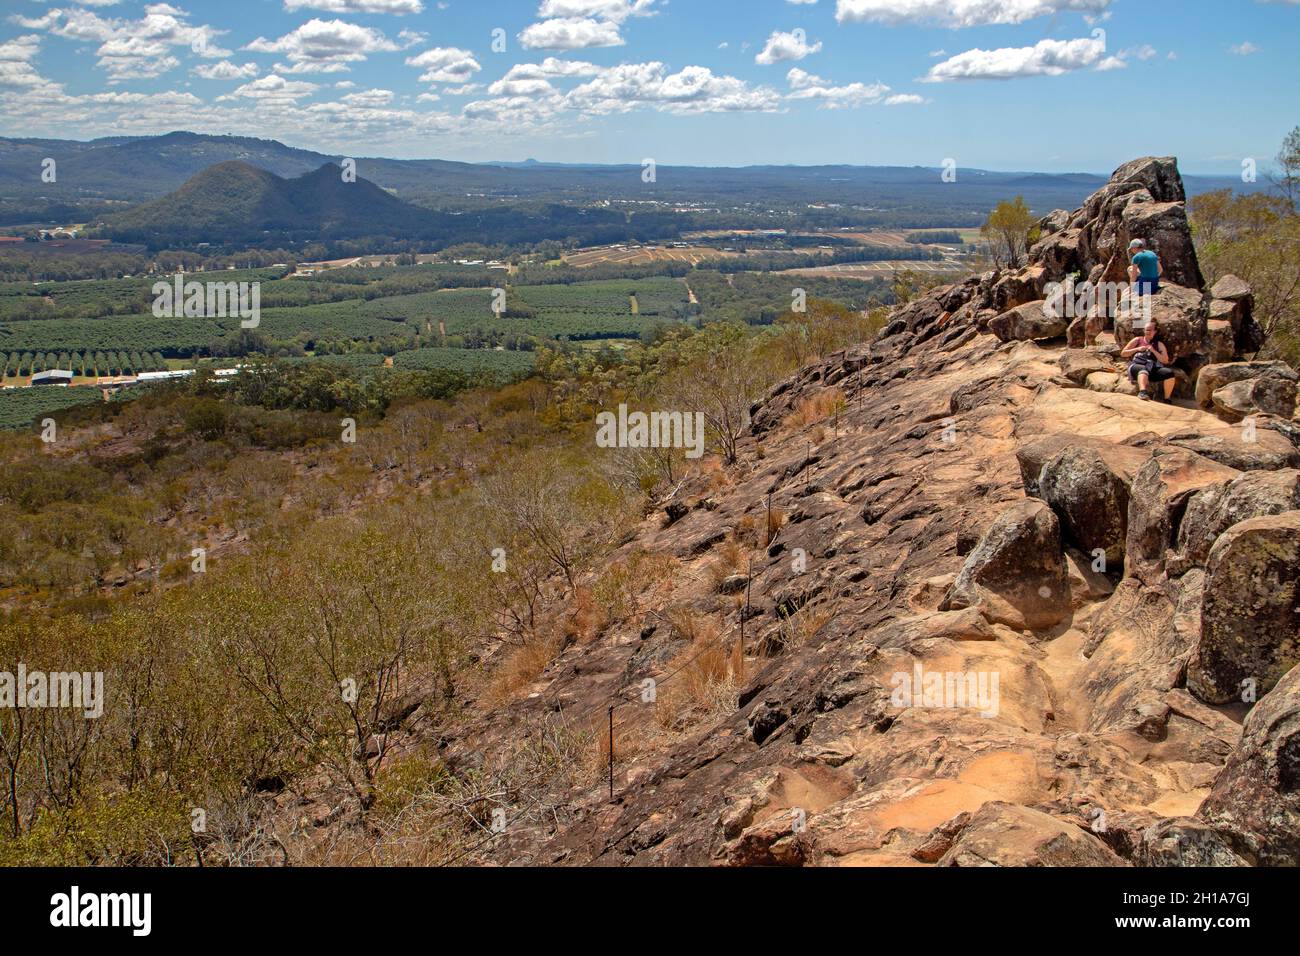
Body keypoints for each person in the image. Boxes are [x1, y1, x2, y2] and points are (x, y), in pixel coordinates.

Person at [1121, 315, 1176, 401]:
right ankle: (1142, 392)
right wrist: (1137, 349)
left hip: (1152, 368)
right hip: (1136, 366)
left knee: (1169, 373)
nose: (1148, 332)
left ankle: (1167, 398)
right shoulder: (1138, 340)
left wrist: (1154, 351)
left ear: (1155, 331)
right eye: (1147, 330)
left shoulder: (1159, 344)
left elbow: (1165, 360)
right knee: (1143, 369)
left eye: (1150, 330)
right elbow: (1123, 353)